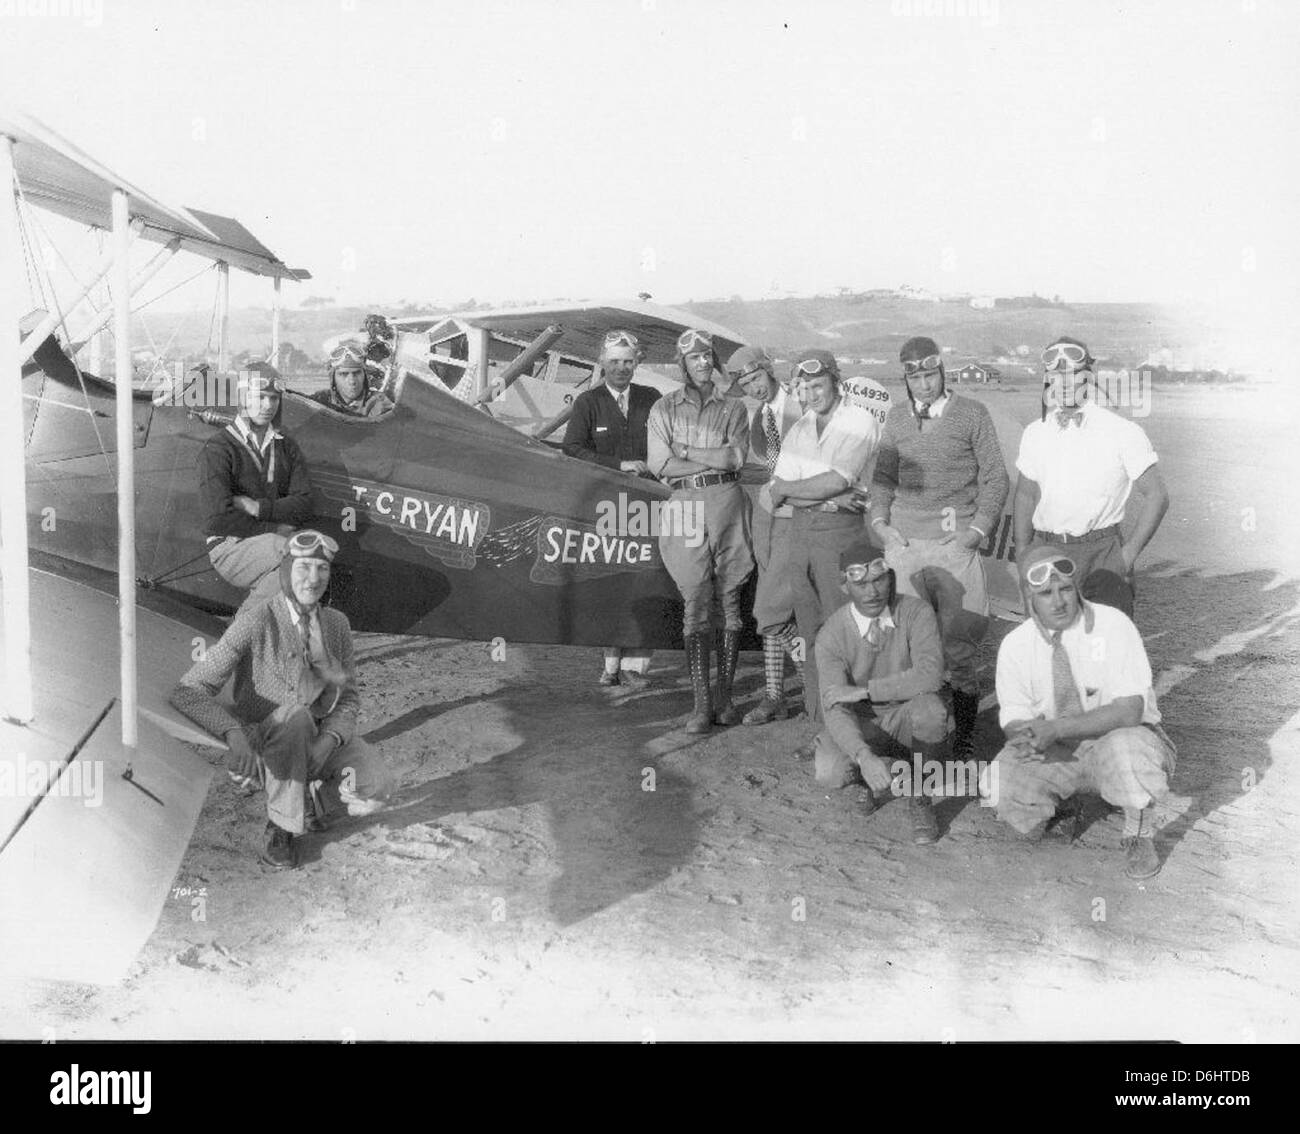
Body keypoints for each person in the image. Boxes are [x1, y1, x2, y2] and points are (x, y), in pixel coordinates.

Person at [170, 530, 392, 870]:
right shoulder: (256, 620)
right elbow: (189, 689)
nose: (313, 579)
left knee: (377, 784)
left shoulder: (336, 625)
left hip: (314, 736)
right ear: (286, 571)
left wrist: (329, 741)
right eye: (304, 568)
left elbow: (347, 699)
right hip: (265, 738)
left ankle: (309, 802)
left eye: (322, 569)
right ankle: (280, 828)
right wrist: (234, 737)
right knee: (296, 718)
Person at [984, 544, 1188, 879]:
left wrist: (1057, 729)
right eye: (1046, 593)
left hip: (1116, 737)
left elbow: (1129, 711)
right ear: (1028, 597)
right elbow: (1014, 716)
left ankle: (1138, 833)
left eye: (1065, 588)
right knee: (998, 783)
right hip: (1059, 746)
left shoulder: (1112, 624)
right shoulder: (1016, 644)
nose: (1059, 601)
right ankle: (1065, 803)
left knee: (1129, 749)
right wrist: (1026, 737)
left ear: (1076, 587)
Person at [871, 336, 1009, 760]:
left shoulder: (972, 413)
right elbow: (882, 479)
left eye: (931, 375)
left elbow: (996, 478)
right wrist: (881, 525)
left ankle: (964, 738)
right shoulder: (895, 419)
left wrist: (977, 531)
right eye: (916, 378)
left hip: (954, 547)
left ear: (943, 372)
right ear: (906, 380)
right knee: (904, 644)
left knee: (960, 645)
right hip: (906, 545)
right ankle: (910, 733)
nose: (925, 385)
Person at [768, 350, 884, 744]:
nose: (812, 393)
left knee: (847, 630)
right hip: (803, 535)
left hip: (841, 536)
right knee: (812, 631)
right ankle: (823, 729)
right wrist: (818, 496)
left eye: (818, 384)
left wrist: (806, 492)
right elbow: (777, 491)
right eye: (804, 386)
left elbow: (838, 479)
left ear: (836, 381)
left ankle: (857, 731)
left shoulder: (859, 421)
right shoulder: (800, 428)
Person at [1012, 336, 1169, 618]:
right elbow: (1025, 494)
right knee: (1051, 649)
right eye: (1057, 375)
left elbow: (1157, 495)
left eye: (1073, 374)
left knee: (1106, 649)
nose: (1066, 382)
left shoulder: (1122, 431)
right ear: (1048, 379)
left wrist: (1127, 556)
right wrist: (1023, 553)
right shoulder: (1035, 432)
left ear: (1089, 375)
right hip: (1046, 552)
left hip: (1103, 554)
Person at [646, 328, 753, 733]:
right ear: (683, 364)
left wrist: (687, 452)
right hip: (684, 504)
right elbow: (661, 464)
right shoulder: (663, 408)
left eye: (708, 355)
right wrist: (712, 460)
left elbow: (737, 458)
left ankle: (725, 699)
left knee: (729, 597)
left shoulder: (735, 408)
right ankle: (700, 704)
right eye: (695, 358)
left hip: (727, 501)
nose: (703, 362)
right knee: (695, 599)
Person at [812, 541, 949, 844]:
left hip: (906, 713)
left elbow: (931, 675)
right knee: (829, 771)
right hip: (866, 726)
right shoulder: (831, 635)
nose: (872, 592)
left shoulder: (916, 612)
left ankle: (920, 795)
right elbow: (834, 708)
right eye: (860, 583)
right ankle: (872, 776)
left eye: (878, 580)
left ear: (890, 578)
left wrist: (865, 691)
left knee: (932, 711)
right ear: (844, 585)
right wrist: (863, 756)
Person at [563, 329, 662, 686]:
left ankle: (636, 666)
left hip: (648, 503)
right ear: (603, 363)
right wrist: (618, 465)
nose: (622, 368)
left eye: (628, 362)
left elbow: (668, 438)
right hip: (605, 506)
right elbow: (572, 448)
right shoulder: (588, 403)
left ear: (637, 364)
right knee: (610, 582)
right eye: (615, 362)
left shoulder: (652, 398)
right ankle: (610, 662)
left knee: (645, 579)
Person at [728, 344, 804, 724]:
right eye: (746, 384)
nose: (754, 388)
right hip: (769, 514)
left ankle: (816, 686)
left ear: (769, 370)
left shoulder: (802, 402)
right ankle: (775, 695)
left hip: (799, 514)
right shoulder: (760, 416)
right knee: (768, 599)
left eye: (756, 378)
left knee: (779, 607)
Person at [199, 361, 315, 611]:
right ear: (243, 397)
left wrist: (259, 508)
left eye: (274, 398)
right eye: (260, 397)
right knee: (300, 557)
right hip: (230, 545)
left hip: (271, 541)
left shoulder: (286, 446)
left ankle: (248, 641)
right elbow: (217, 518)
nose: (268, 405)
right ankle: (239, 639)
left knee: (305, 562)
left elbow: (304, 503)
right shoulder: (219, 447)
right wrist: (274, 525)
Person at [312, 342, 395, 417]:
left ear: (365, 375)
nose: (352, 381)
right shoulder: (321, 399)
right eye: (343, 374)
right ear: (333, 377)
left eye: (357, 373)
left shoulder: (378, 403)